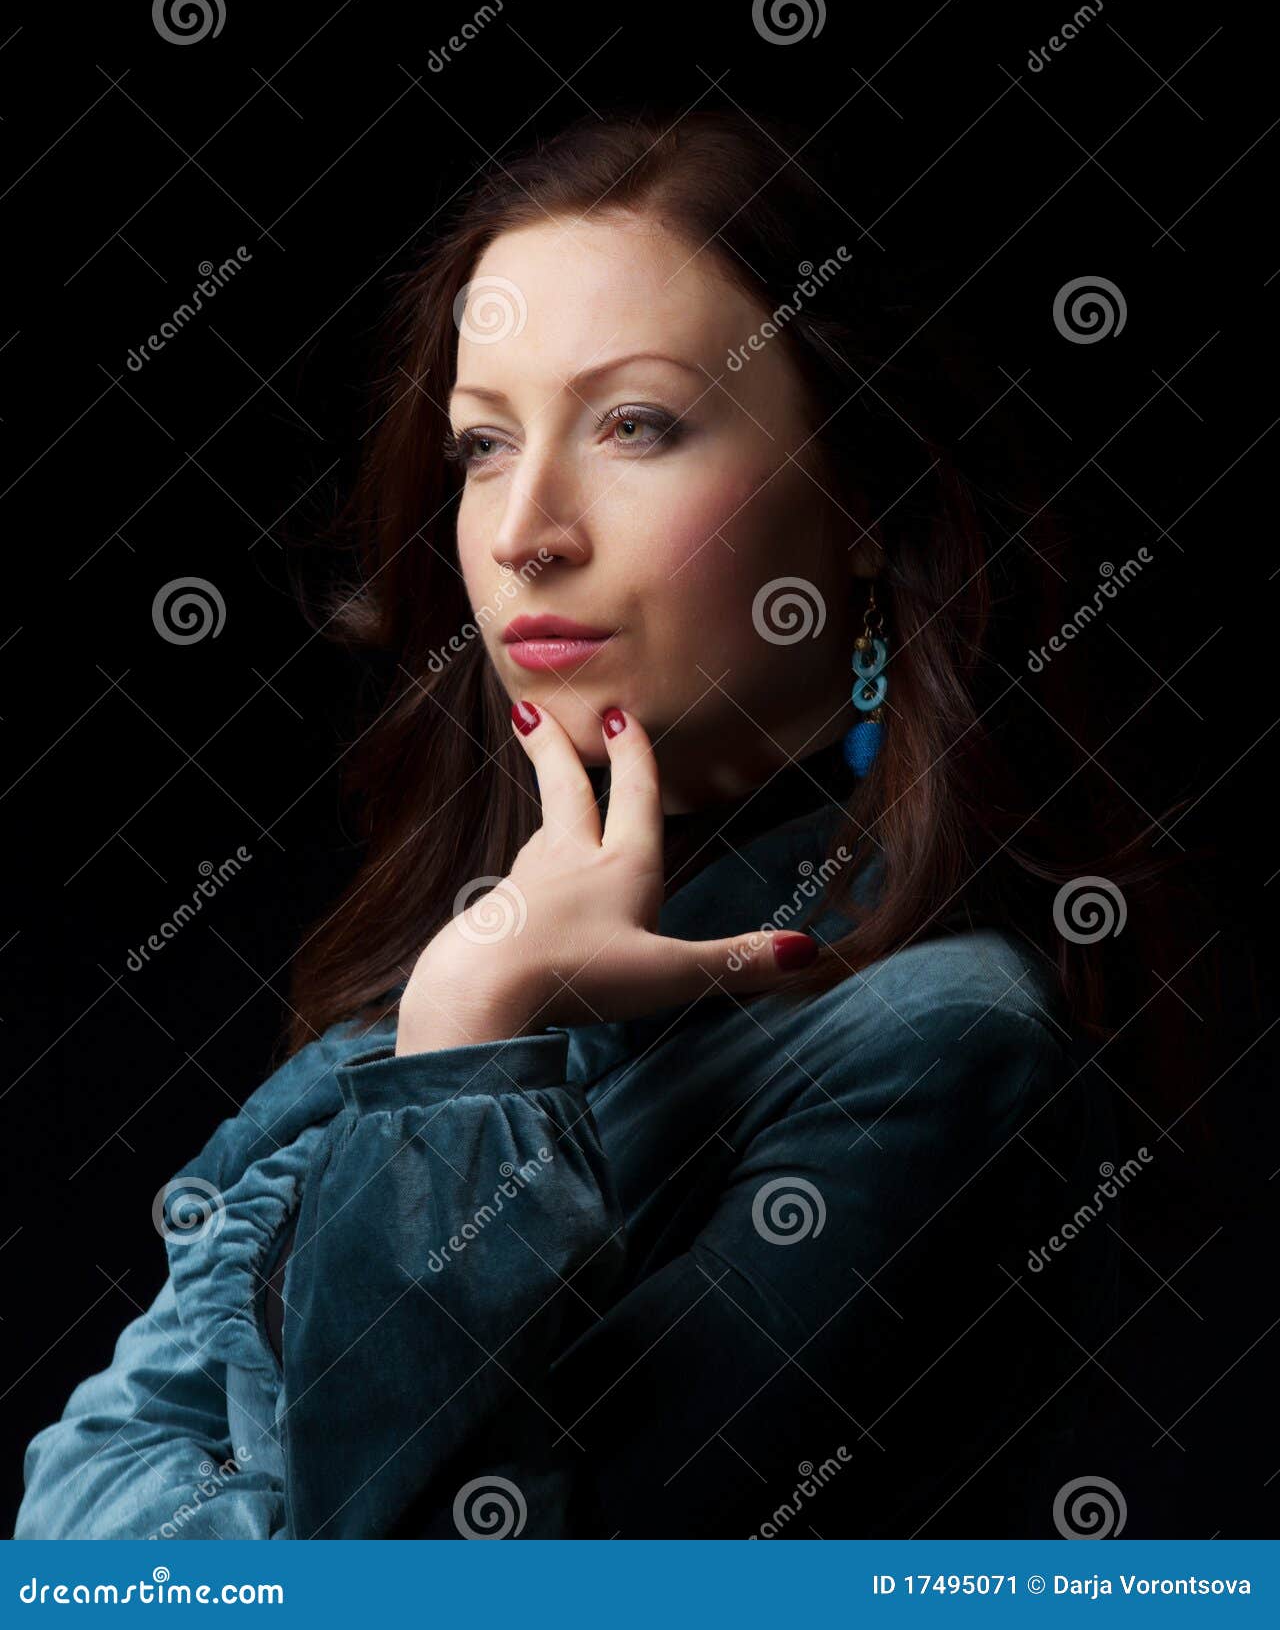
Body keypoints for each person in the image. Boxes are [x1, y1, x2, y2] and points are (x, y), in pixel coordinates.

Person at [17, 108, 1177, 1540]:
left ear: (863, 499)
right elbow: (70, 1523)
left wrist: (463, 1060)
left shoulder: (939, 1039)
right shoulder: (437, 1006)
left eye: (636, 425)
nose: (525, 531)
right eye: (482, 443)